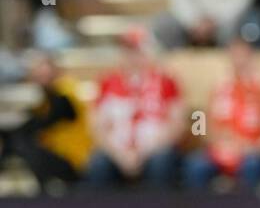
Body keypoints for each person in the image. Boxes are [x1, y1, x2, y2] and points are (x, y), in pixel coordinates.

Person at [86, 27, 184, 187]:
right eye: (127, 51)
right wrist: (119, 155)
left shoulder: (166, 81)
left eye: (136, 51)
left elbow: (177, 123)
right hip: (117, 150)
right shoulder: (106, 82)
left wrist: (144, 152)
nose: (131, 57)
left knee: (162, 162)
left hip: (154, 148)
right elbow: (96, 126)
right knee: (98, 164)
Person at [183, 37, 260, 191]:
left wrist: (257, 146)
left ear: (251, 56)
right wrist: (215, 140)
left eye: (242, 54)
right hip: (220, 148)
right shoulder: (218, 86)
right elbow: (200, 125)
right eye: (235, 54)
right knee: (195, 165)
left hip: (249, 150)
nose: (238, 59)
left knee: (253, 165)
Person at [0, 51, 91, 190]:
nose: (40, 76)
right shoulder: (46, 97)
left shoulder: (65, 93)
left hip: (75, 160)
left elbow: (46, 120)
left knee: (23, 144)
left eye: (44, 72)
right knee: (16, 141)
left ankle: (43, 192)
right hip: (58, 154)